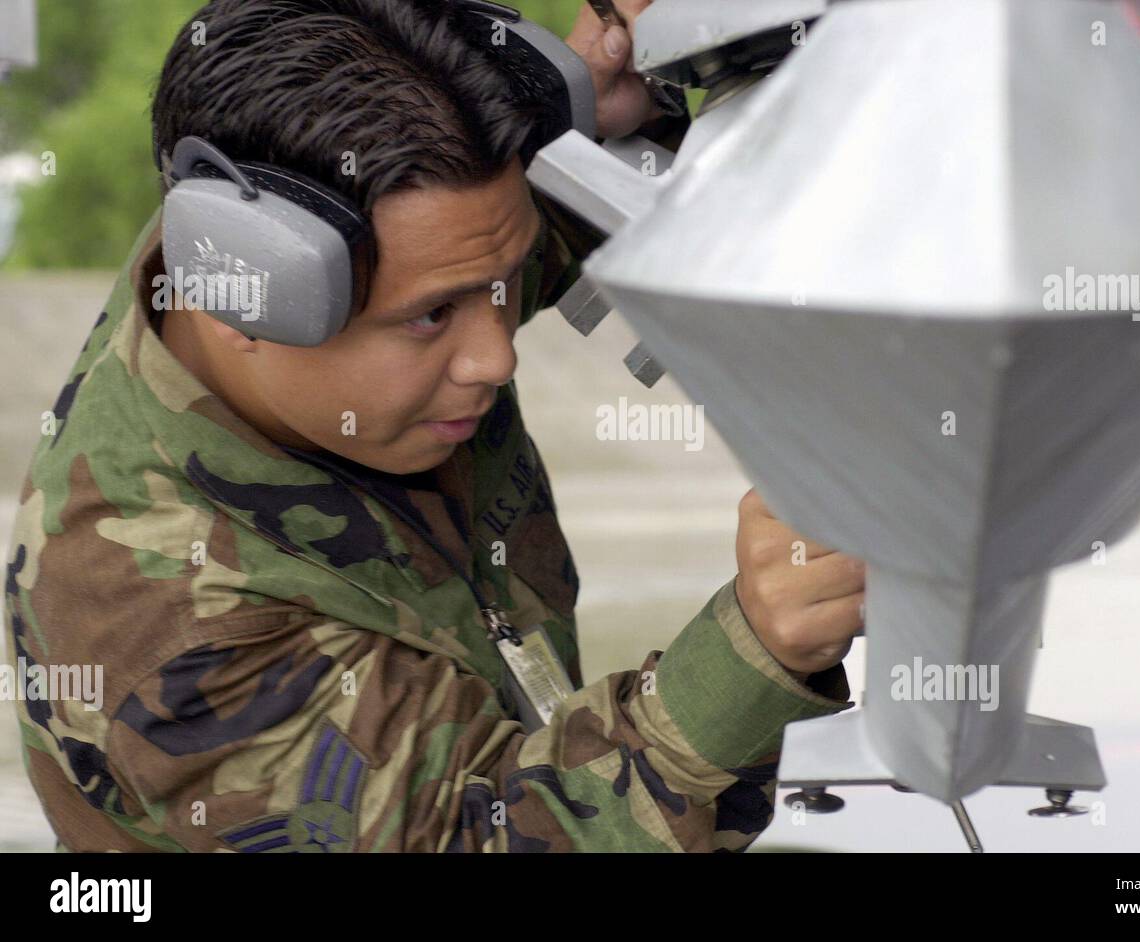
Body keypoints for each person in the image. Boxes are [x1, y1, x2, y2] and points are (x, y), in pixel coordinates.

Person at [2, 0, 864, 852]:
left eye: (508, 280)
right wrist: (755, 653)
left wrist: (630, 101)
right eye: (431, 317)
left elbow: (465, 239)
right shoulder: (171, 636)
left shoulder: (290, 216)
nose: (495, 357)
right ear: (243, 296)